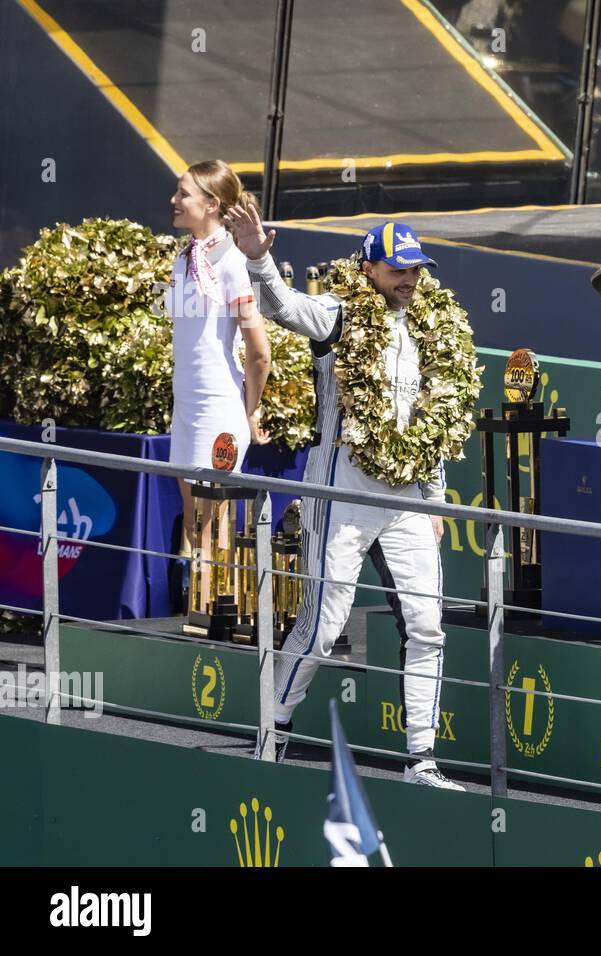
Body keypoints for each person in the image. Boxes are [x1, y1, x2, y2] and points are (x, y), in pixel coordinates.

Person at [227, 206, 476, 789]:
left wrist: (435, 498)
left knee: (427, 624)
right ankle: (275, 732)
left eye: (416, 269)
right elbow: (281, 307)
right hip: (341, 488)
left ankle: (422, 761)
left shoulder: (431, 325)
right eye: (397, 270)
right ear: (369, 269)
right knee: (324, 627)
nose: (409, 280)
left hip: (409, 495)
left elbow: (432, 418)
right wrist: (258, 255)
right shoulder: (339, 316)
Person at [167, 160, 272, 545]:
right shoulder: (183, 260)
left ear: (211, 205)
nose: (174, 200)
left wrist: (248, 410)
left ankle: (217, 607)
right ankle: (197, 607)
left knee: (211, 530)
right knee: (194, 527)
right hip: (186, 407)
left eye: (184, 194)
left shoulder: (234, 262)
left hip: (218, 408)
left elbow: (260, 352)